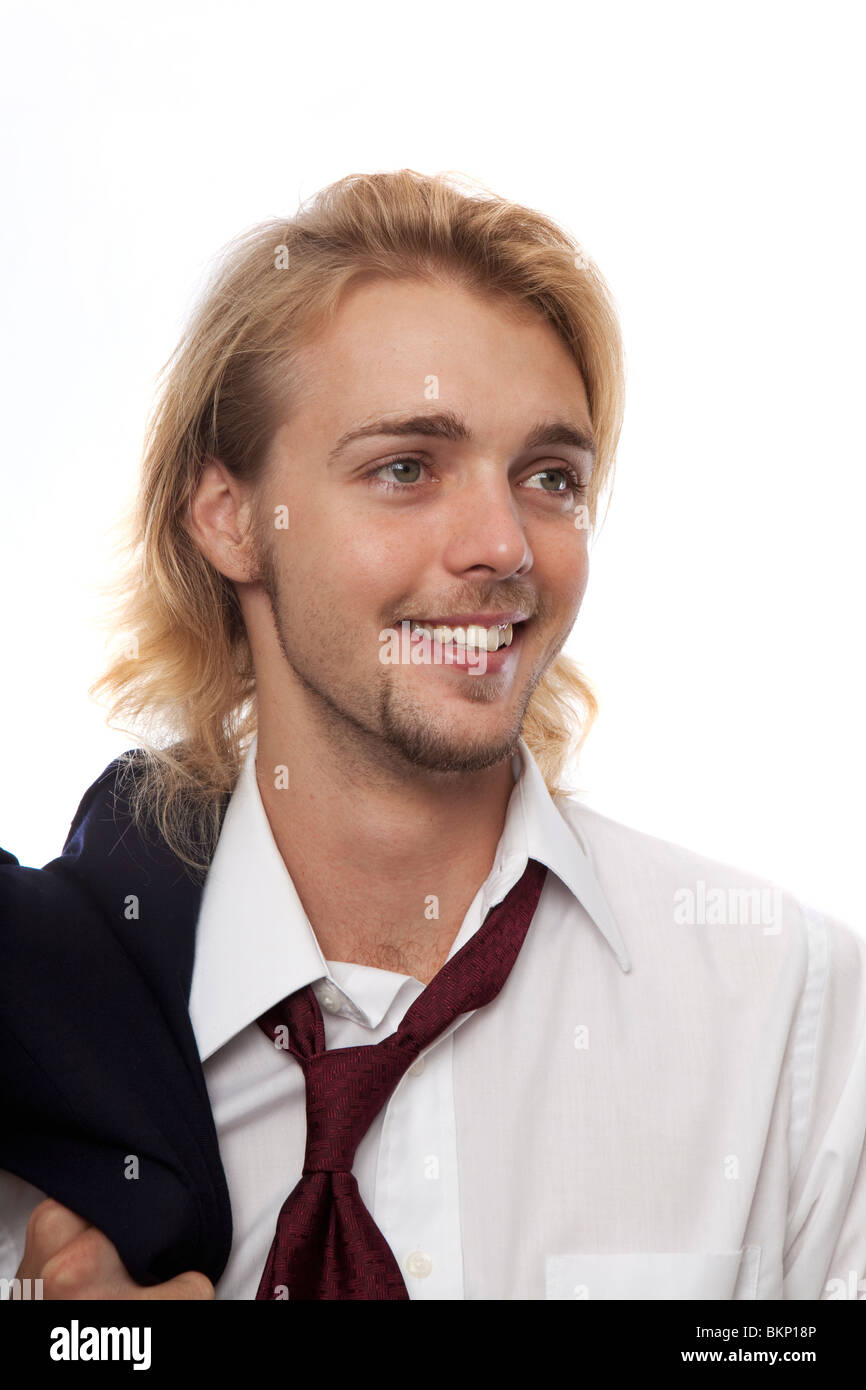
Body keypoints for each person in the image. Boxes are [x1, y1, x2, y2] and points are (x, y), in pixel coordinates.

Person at [2, 169, 865, 1302]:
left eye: (548, 478)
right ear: (228, 518)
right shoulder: (41, 1034)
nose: (503, 543)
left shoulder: (783, 1015)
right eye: (405, 468)